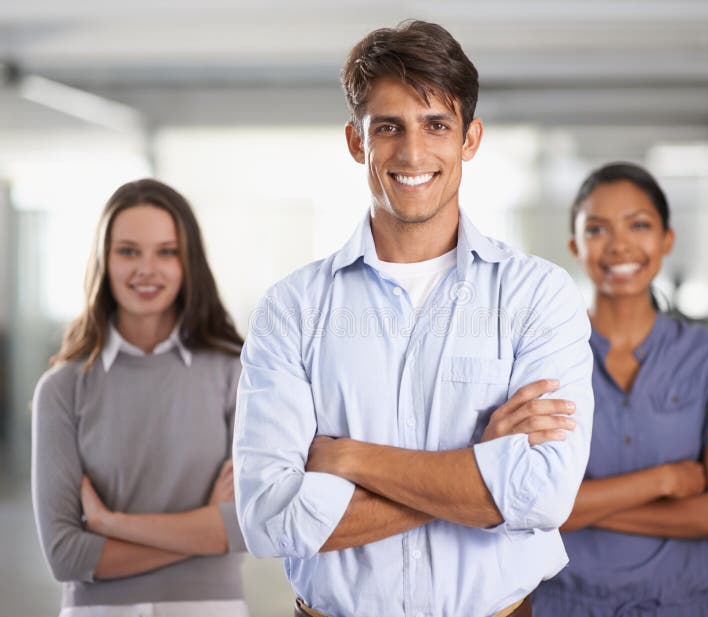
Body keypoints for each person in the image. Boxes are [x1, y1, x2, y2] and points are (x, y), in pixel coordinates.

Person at [233, 20, 594, 617]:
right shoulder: (291, 309)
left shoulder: (537, 296)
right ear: (357, 142)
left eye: (436, 125)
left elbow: (542, 497)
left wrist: (352, 459)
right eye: (388, 127)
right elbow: (270, 519)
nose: (413, 152)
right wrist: (478, 473)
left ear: (470, 138)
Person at [532, 162, 708, 617]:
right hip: (564, 605)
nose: (619, 245)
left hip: (678, 606)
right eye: (597, 229)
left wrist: (575, 510)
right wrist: (663, 481)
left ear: (667, 239)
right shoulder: (545, 355)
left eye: (638, 225)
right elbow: (525, 500)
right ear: (575, 246)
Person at [32, 179, 249, 616]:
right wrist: (205, 531)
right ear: (104, 260)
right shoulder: (63, 388)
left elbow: (246, 528)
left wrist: (110, 524)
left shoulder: (236, 374)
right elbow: (66, 556)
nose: (147, 269)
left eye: (166, 252)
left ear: (189, 262)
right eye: (128, 251)